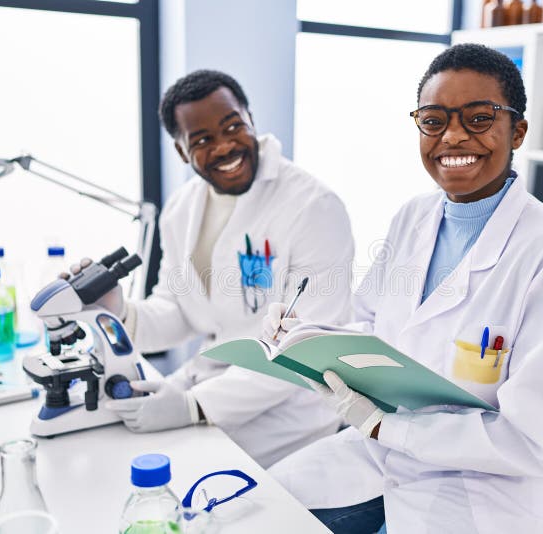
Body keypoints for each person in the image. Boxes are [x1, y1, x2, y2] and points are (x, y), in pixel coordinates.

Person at [263, 44, 543, 533]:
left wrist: (388, 425)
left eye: (478, 118)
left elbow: (532, 439)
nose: (452, 136)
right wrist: (309, 337)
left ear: (518, 131)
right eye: (434, 120)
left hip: (484, 495)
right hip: (380, 456)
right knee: (258, 509)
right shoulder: (414, 217)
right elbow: (371, 323)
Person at [75, 70, 354, 468]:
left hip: (291, 414)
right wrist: (120, 310)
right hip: (210, 382)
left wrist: (195, 406)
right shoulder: (182, 208)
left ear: (251, 120)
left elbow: (306, 350)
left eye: (233, 126)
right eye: (203, 140)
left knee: (190, 479)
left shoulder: (313, 206)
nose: (225, 146)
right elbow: (179, 311)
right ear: (181, 150)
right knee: (118, 456)